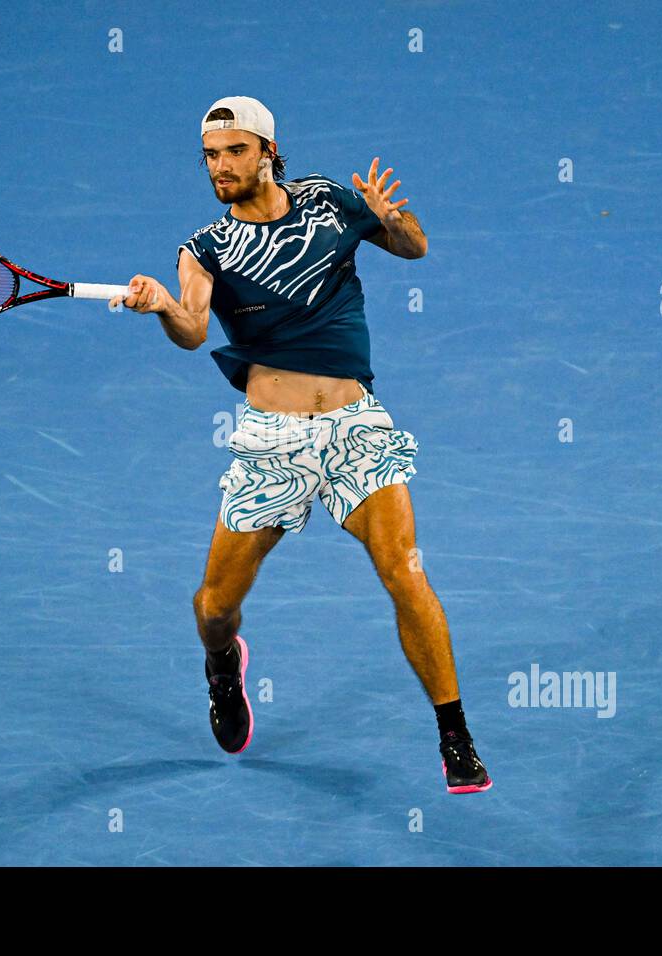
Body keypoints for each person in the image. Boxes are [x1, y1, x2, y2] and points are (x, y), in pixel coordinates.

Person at [109, 96, 491, 793]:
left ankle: (455, 736)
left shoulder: (328, 201)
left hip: (355, 429)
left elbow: (415, 249)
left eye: (233, 152)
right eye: (210, 157)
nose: (220, 167)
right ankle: (223, 667)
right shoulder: (205, 248)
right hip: (270, 442)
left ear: (267, 152)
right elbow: (195, 329)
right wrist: (164, 303)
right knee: (213, 606)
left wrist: (392, 218)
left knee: (404, 572)